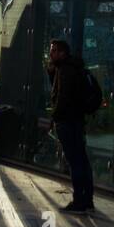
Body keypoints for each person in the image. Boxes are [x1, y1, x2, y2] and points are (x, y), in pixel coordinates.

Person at [47, 39, 94, 213]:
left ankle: (79, 201)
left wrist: (54, 118)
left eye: (54, 51)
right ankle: (87, 199)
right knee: (81, 159)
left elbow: (62, 97)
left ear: (62, 53)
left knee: (75, 161)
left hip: (67, 121)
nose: (51, 54)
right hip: (77, 120)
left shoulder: (65, 70)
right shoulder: (74, 67)